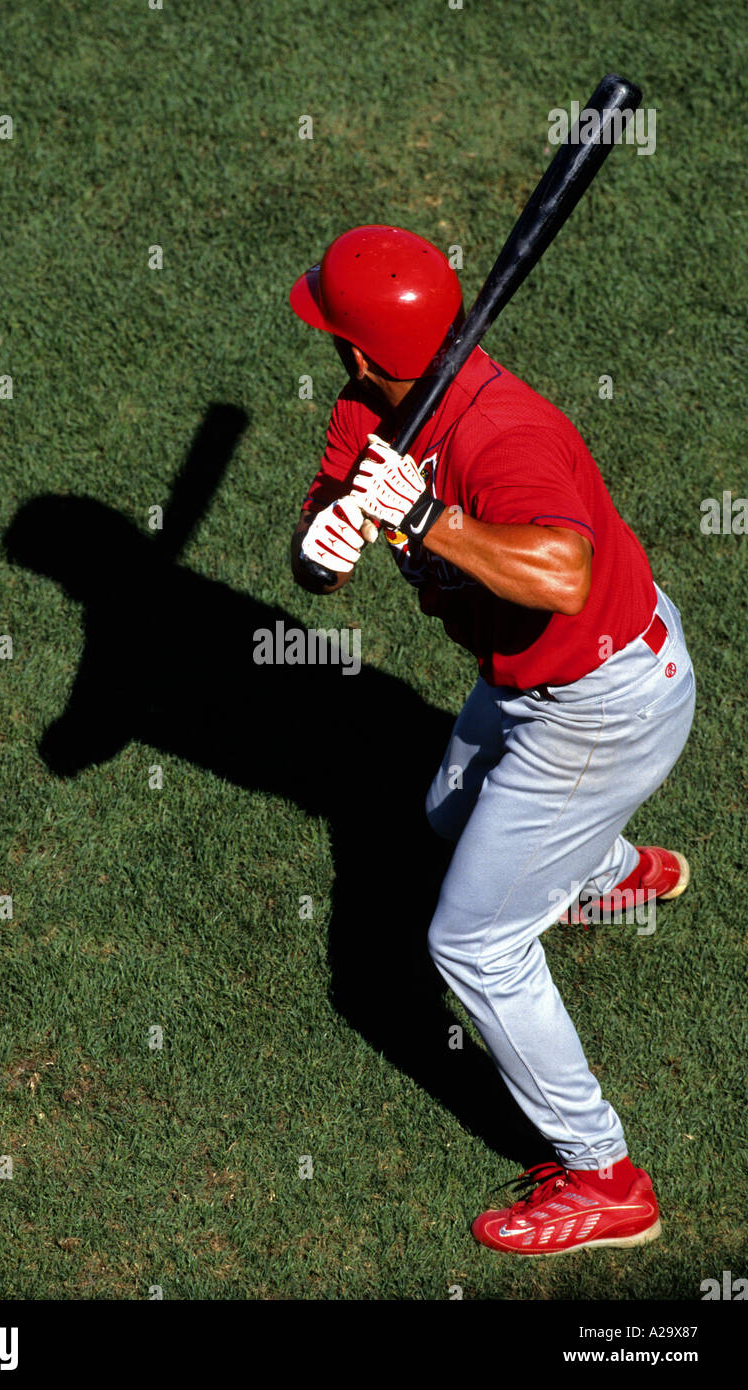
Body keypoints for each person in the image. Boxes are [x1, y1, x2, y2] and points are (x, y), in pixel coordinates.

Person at [288, 224, 696, 1255]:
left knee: (468, 944)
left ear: (358, 347)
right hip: (525, 687)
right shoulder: (367, 406)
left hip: (596, 705)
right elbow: (321, 550)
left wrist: (429, 521)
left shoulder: (496, 433)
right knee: (444, 810)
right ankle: (607, 868)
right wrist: (321, 545)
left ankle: (605, 1176)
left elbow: (558, 574)